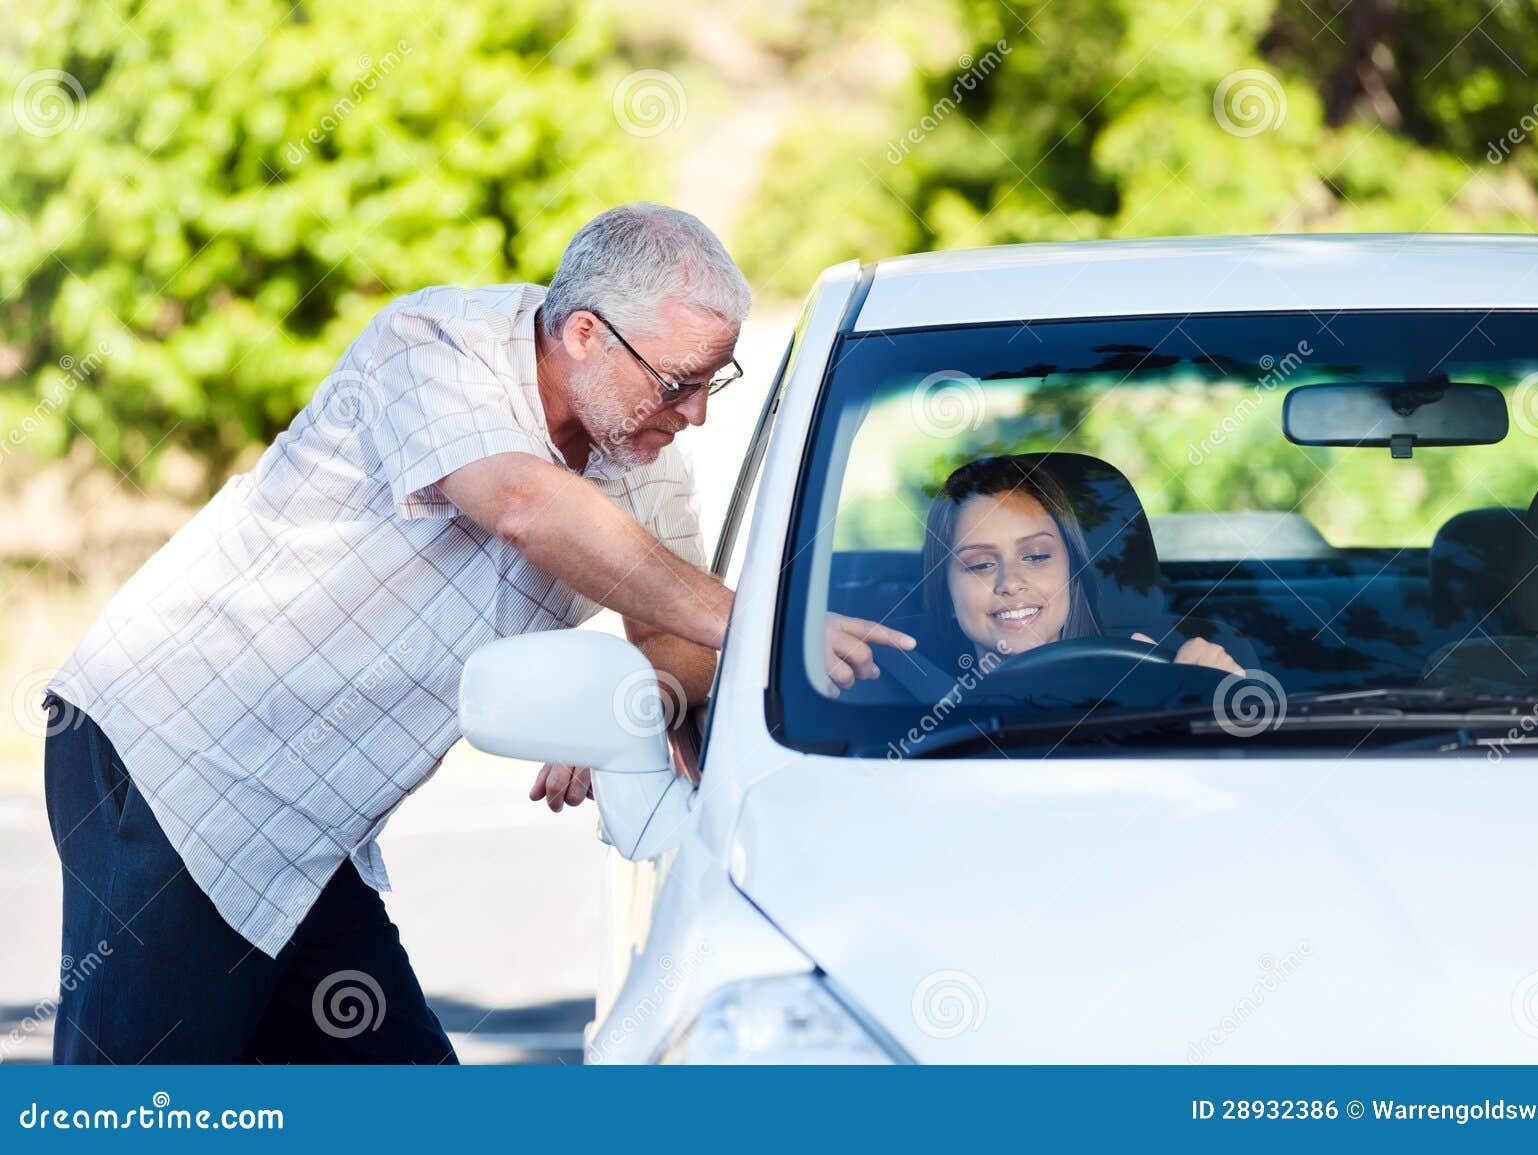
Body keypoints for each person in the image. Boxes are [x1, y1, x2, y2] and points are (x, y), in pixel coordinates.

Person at [41, 202, 912, 1064]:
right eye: (678, 382)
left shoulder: (643, 462)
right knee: (137, 1108)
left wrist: (629, 699)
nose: (696, 415)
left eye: (711, 383)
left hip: (312, 833)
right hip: (176, 760)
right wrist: (773, 618)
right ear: (583, 336)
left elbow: (674, 638)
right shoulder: (431, 343)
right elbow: (525, 506)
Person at [921, 456, 1242, 673]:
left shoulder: (1178, 670)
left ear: (1072, 572)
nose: (1011, 582)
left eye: (1035, 556)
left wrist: (1211, 700)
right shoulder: (902, 704)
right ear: (946, 591)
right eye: (980, 565)